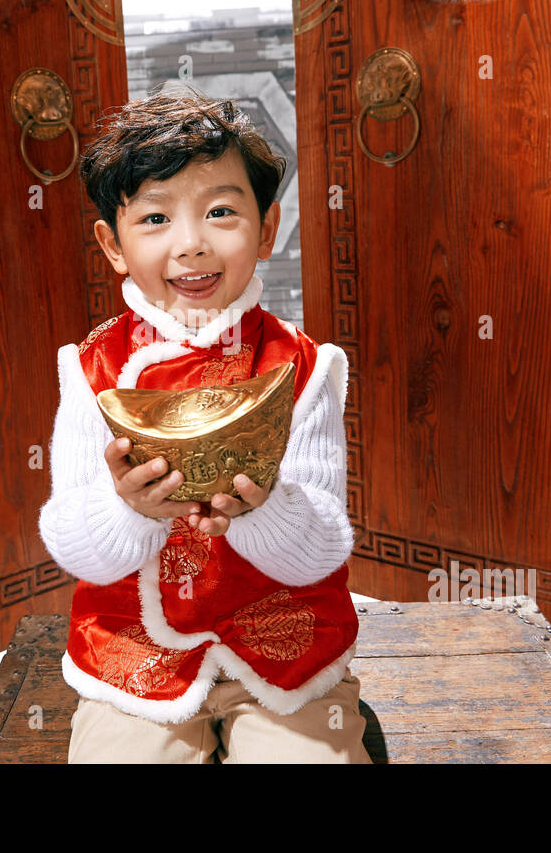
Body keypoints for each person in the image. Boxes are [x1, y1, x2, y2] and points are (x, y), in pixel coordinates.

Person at [38, 84, 370, 764]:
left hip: (286, 644)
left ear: (268, 229)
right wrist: (125, 512)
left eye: (221, 211)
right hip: (134, 648)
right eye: (155, 219)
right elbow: (73, 544)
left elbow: (324, 549)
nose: (191, 245)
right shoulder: (92, 369)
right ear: (113, 244)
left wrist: (264, 509)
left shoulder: (305, 368)